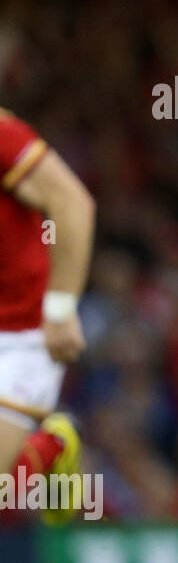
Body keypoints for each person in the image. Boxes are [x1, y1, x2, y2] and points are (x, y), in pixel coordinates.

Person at [0, 108, 94, 523]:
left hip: (20, 334)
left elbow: (72, 201)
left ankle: (53, 443)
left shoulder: (3, 135)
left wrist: (60, 309)